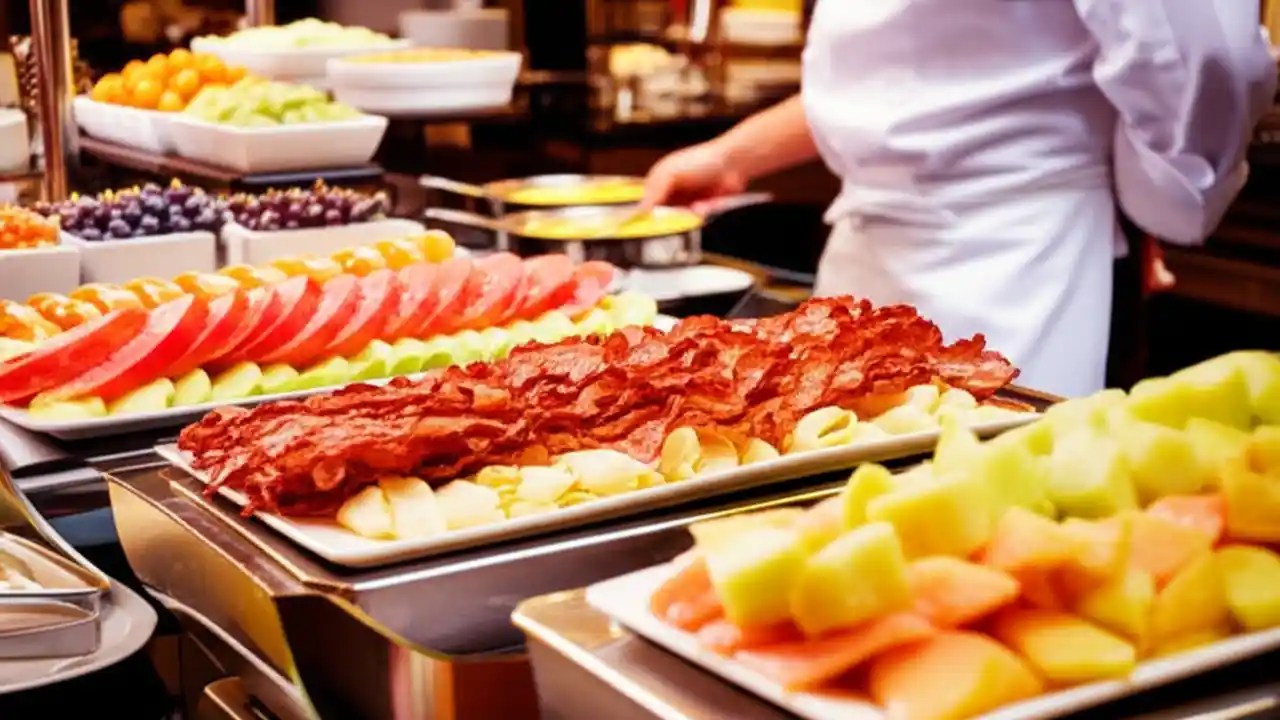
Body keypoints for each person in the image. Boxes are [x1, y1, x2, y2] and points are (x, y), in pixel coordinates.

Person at [642, 1, 1277, 397]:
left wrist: (1146, 197)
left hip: (1025, 267)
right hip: (863, 267)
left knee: (997, 548)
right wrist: (733, 155)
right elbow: (906, 76)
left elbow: (1203, 59)